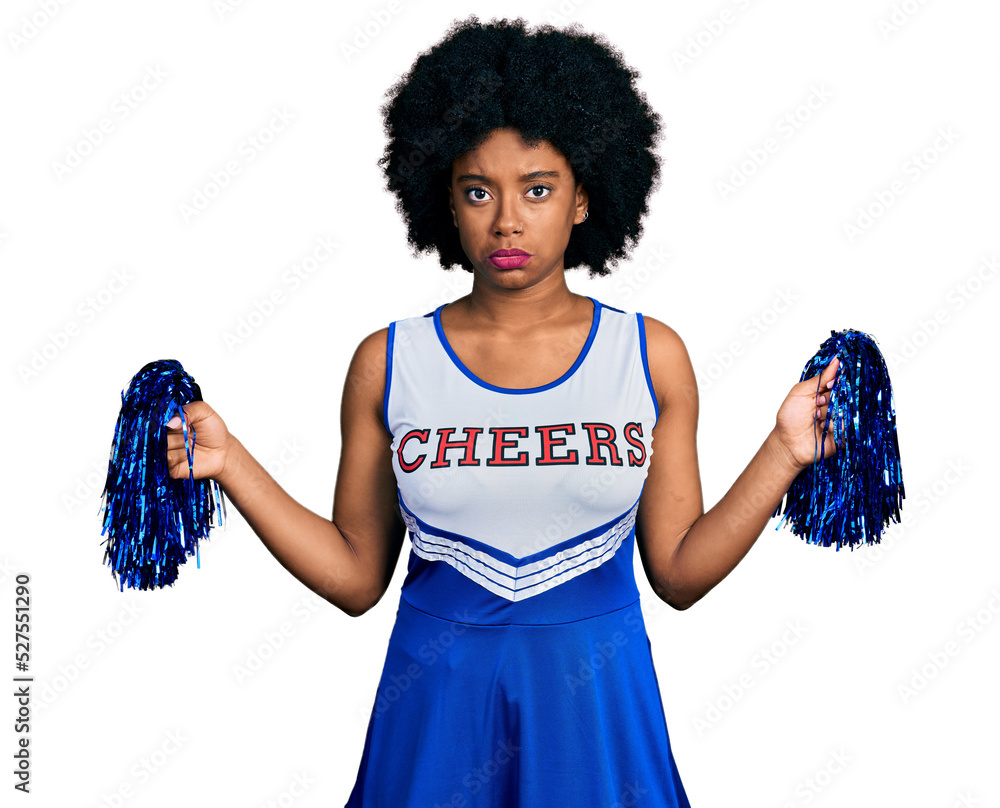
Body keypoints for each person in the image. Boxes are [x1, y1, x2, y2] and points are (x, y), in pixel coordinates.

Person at [165, 15, 839, 807]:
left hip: (597, 719)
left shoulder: (648, 355)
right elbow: (353, 578)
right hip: (434, 711)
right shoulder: (389, 361)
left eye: (539, 189)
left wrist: (785, 452)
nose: (507, 220)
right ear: (444, 201)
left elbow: (681, 574)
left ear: (586, 197)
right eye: (477, 191)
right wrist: (231, 463)